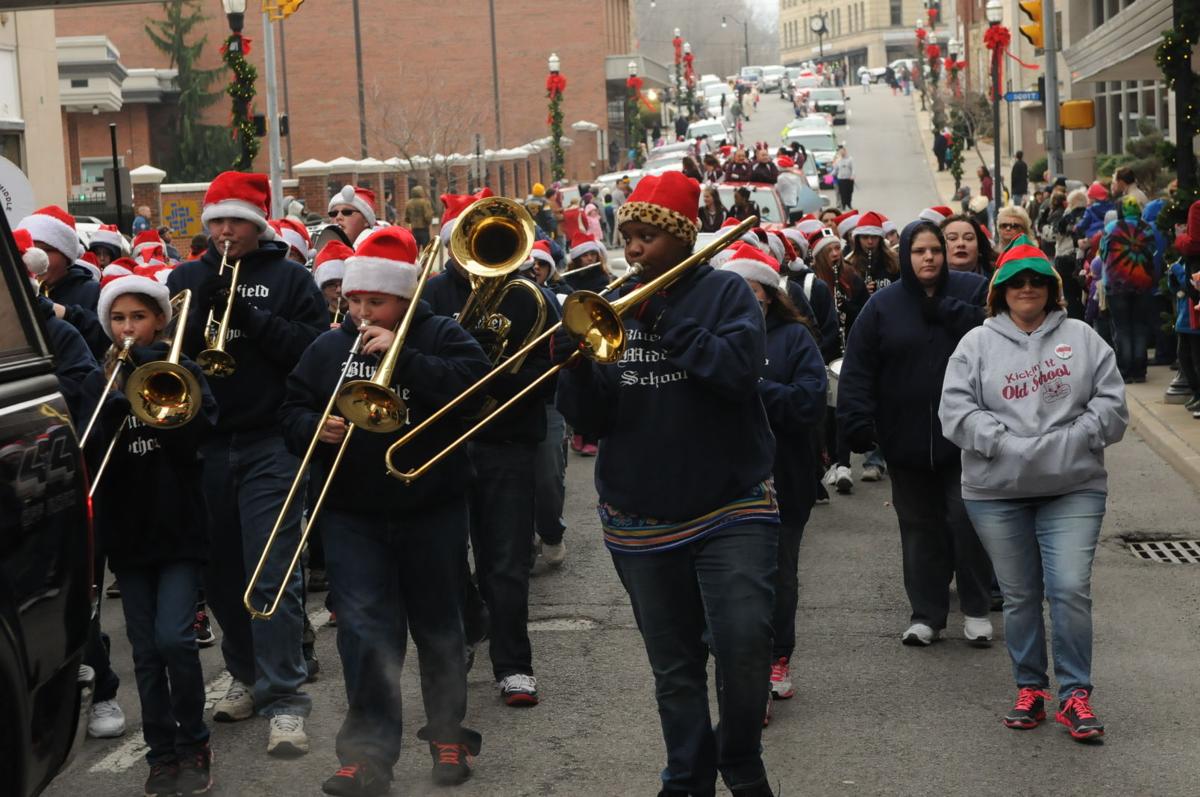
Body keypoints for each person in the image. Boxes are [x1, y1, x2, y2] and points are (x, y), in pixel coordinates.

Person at [555, 172, 779, 797]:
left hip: (732, 501)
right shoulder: (611, 308)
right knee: (675, 668)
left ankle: (740, 759)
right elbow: (594, 421)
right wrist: (573, 368)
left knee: (743, 648)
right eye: (627, 237)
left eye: (647, 236)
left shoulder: (727, 293)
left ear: (680, 239)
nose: (634, 250)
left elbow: (736, 374)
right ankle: (687, 777)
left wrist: (666, 318)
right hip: (639, 512)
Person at [279, 228, 489, 795]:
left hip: (432, 505)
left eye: (377, 301)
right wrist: (311, 427)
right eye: (353, 300)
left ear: (404, 298)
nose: (361, 311)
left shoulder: (442, 334)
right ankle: (368, 754)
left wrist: (408, 360)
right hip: (353, 514)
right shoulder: (328, 348)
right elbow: (292, 408)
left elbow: (478, 393)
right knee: (366, 635)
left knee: (440, 628)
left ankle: (447, 733)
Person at [939, 237, 1128, 741]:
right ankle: (1031, 688)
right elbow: (954, 413)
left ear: (1052, 289)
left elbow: (1111, 409)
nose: (1027, 288)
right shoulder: (974, 345)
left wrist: (1069, 441)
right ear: (999, 291)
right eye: (1016, 282)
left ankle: (1075, 696)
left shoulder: (1085, 338)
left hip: (1074, 486)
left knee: (1068, 588)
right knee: (1021, 596)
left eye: (1036, 281)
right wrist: (1004, 444)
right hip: (995, 491)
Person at [167, 171, 327, 755]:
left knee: (271, 572)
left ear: (257, 224)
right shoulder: (186, 277)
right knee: (222, 573)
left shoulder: (289, 278)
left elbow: (312, 353)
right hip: (205, 443)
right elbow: (172, 356)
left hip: (270, 441)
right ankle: (245, 674)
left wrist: (249, 322)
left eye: (236, 220)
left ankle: (286, 699)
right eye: (217, 220)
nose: (226, 231)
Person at [837, 220, 994, 646]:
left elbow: (997, 331)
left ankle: (978, 609)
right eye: (919, 251)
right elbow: (858, 366)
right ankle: (926, 615)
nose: (929, 258)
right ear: (905, 256)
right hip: (905, 440)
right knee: (919, 527)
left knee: (967, 521)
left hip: (967, 443)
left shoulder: (970, 290)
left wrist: (946, 310)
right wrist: (856, 419)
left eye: (935, 250)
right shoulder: (883, 306)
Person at [95, 270, 219, 796]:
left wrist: (150, 383)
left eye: (138, 317)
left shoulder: (180, 370)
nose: (128, 328)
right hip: (129, 535)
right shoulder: (99, 380)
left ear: (160, 321)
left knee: (174, 639)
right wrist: (111, 405)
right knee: (145, 651)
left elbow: (200, 438)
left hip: (180, 530)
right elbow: (91, 455)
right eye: (119, 318)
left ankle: (194, 743)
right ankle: (161, 753)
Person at [720, 243, 827, 715]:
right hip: (724, 480)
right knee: (737, 582)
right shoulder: (714, 337)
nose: (746, 299)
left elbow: (808, 402)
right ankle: (744, 671)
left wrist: (752, 387)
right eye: (734, 291)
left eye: (753, 291)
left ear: (768, 293)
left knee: (778, 575)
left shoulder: (795, 338)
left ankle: (777, 658)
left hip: (786, 476)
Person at [18, 205, 109, 359]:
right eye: (28, 250)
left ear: (66, 256)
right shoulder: (16, 290)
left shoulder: (93, 291)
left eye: (46, 250)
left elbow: (107, 341)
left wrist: (67, 314)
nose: (35, 259)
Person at [1100, 196, 1157, 382]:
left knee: (1122, 328)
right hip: (1143, 285)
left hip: (1117, 285)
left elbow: (1102, 253)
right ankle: (1140, 371)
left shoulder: (1110, 228)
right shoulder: (1147, 228)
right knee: (1140, 327)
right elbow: (1153, 252)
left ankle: (1125, 370)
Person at [833, 145, 855, 209]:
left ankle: (849, 204)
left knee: (849, 192)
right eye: (840, 152)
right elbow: (835, 170)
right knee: (842, 193)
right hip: (841, 179)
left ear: (845, 151)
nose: (842, 153)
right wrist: (829, 175)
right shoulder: (838, 160)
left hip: (849, 179)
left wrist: (853, 176)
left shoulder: (850, 159)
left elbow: (853, 169)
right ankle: (843, 205)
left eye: (843, 151)